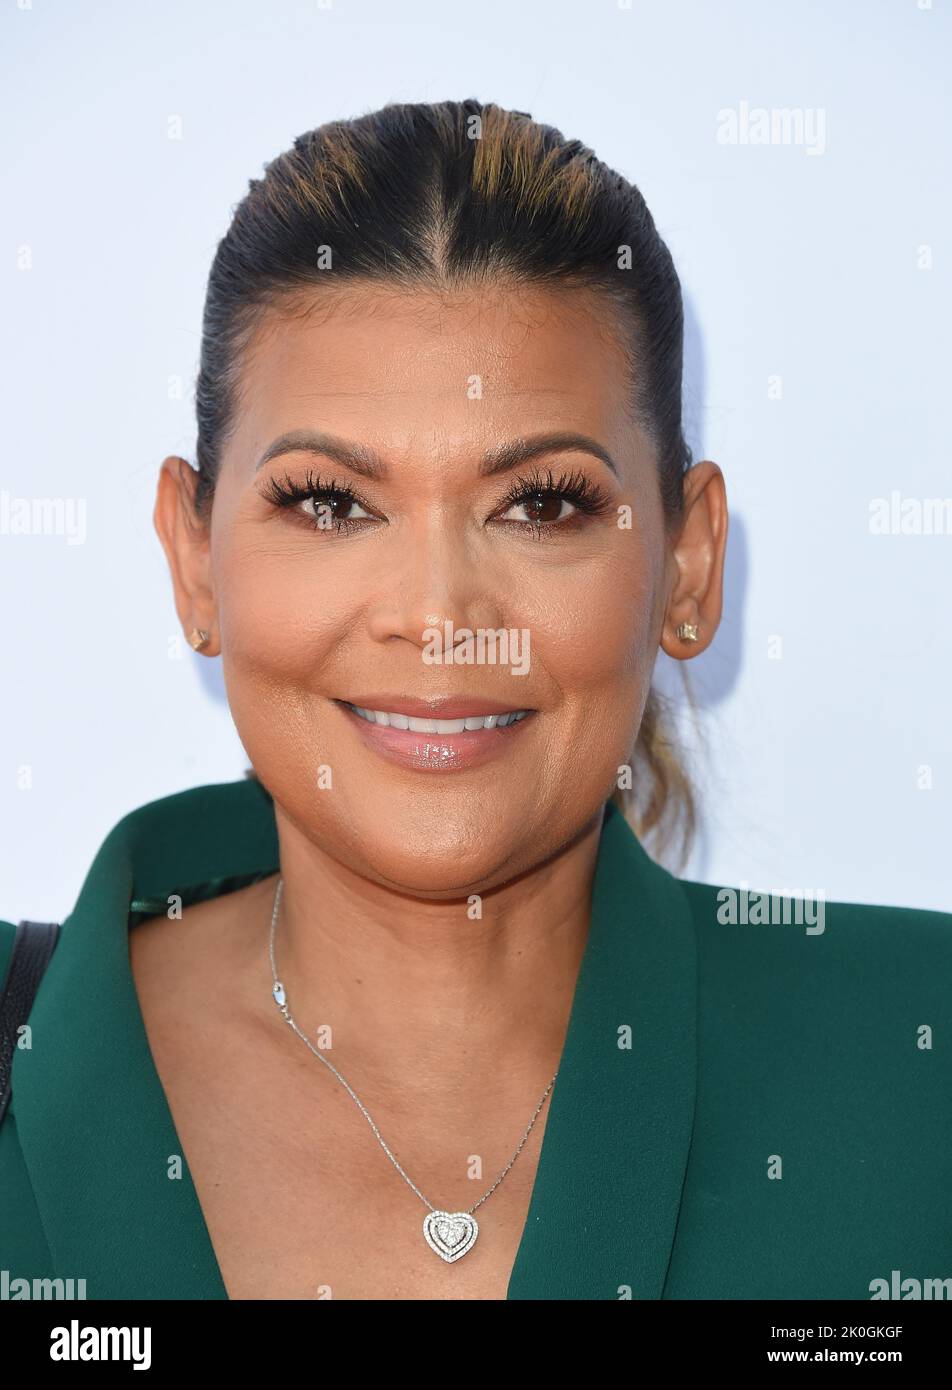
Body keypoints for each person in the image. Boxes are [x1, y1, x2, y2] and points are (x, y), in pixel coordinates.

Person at [2, 99, 949, 1302]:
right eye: (332, 502)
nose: (439, 611)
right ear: (194, 560)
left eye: (541, 503)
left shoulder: (923, 1064)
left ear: (688, 565)